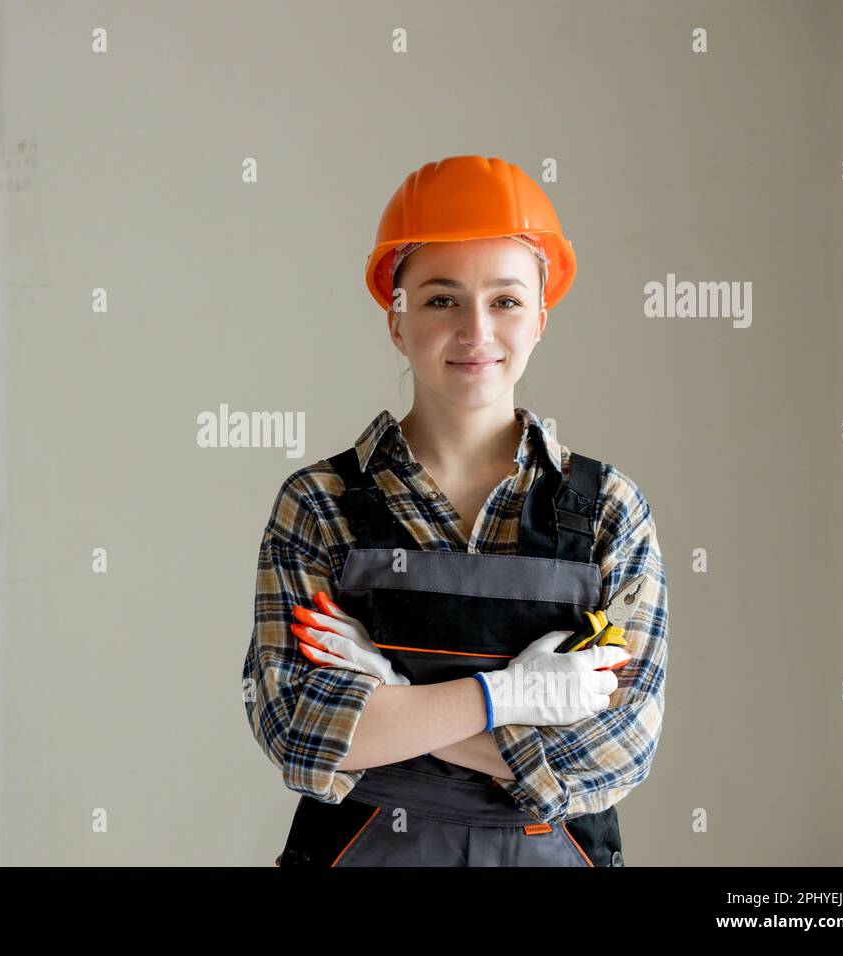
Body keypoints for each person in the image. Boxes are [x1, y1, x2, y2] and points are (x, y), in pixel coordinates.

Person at [241, 155, 669, 867]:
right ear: (396, 321)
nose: (476, 330)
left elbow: (616, 750)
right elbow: (299, 729)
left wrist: (391, 699)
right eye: (441, 299)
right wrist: (516, 693)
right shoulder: (319, 506)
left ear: (540, 319)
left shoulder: (606, 512)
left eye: (504, 300)